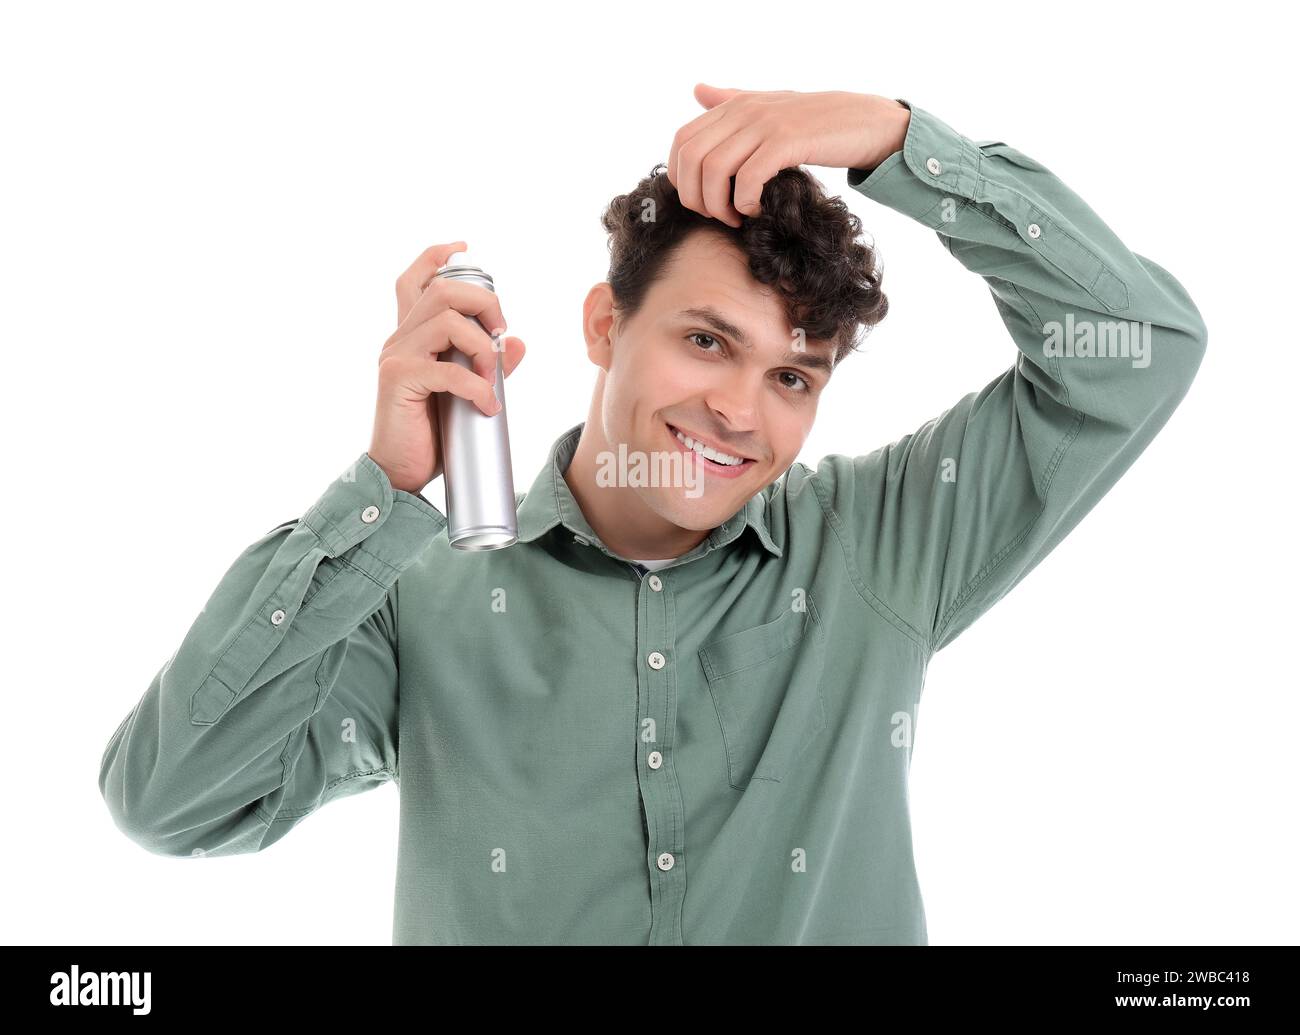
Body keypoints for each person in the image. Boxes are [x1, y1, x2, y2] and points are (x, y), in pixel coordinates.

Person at [98, 86, 1207, 945]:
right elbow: (174, 803)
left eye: (793, 377)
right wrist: (384, 496)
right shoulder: (417, 593)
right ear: (601, 324)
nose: (737, 411)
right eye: (708, 340)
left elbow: (1135, 347)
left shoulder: (884, 543)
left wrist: (894, 137)